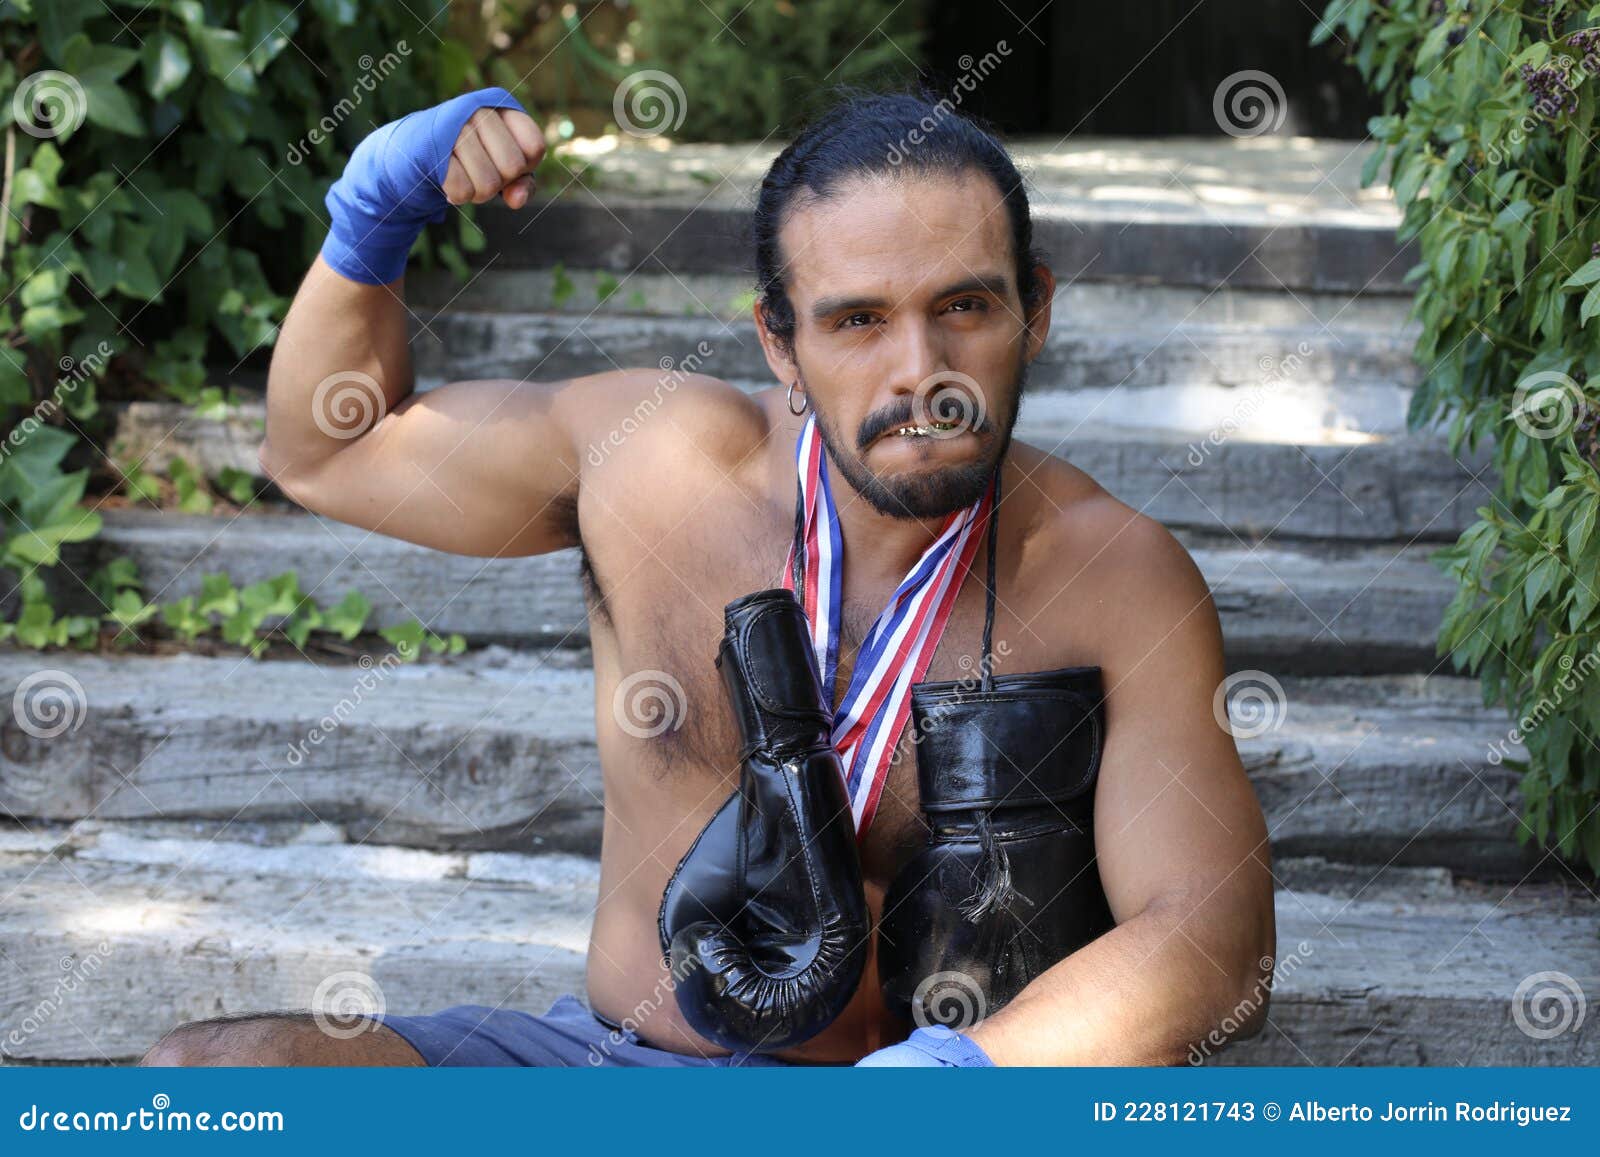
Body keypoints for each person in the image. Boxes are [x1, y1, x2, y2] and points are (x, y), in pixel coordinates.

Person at [139, 83, 1274, 1068]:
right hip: (623, 1064)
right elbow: (327, 449)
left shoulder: (1119, 576)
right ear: (779, 341)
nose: (919, 371)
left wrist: (951, 1077)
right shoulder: (652, 462)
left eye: (963, 307)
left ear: (1035, 311)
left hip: (953, 1091)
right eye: (858, 321)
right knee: (206, 1078)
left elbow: (1213, 942)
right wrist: (372, 216)